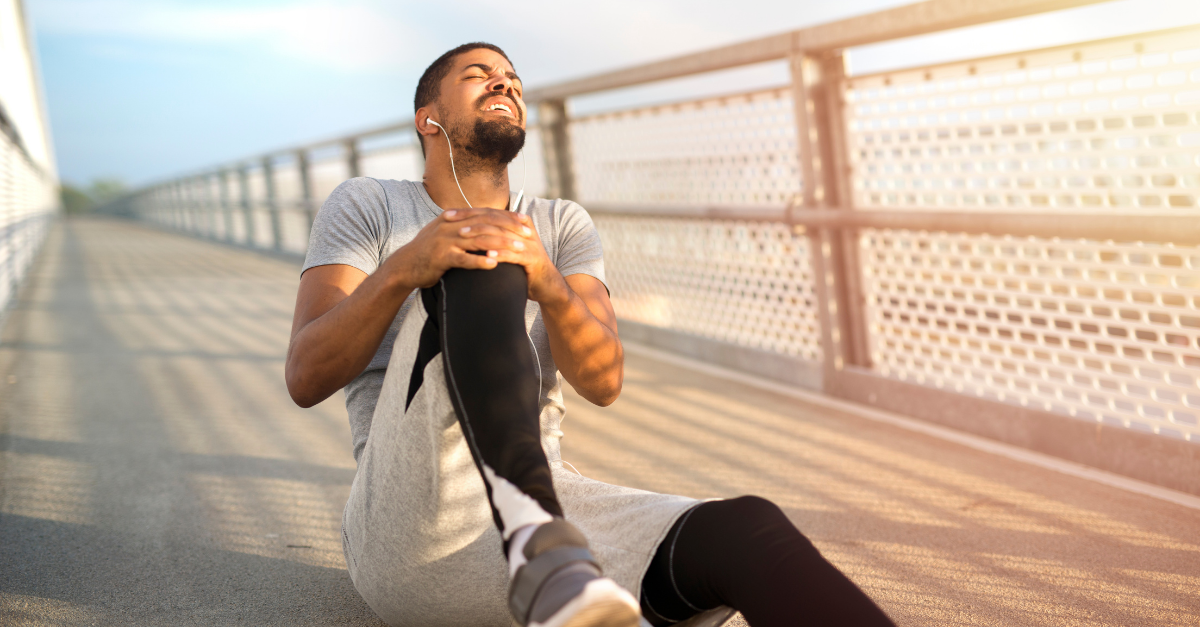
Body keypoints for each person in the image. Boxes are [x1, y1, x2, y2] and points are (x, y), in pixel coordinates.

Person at [286, 42, 896, 627]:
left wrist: (548, 281)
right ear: (428, 119)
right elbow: (306, 377)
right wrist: (404, 268)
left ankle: (543, 549)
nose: (505, 83)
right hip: (411, 524)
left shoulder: (560, 222)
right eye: (479, 74)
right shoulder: (367, 204)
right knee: (485, 248)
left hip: (559, 523)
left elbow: (603, 382)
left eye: (514, 80)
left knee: (746, 532)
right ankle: (533, 537)